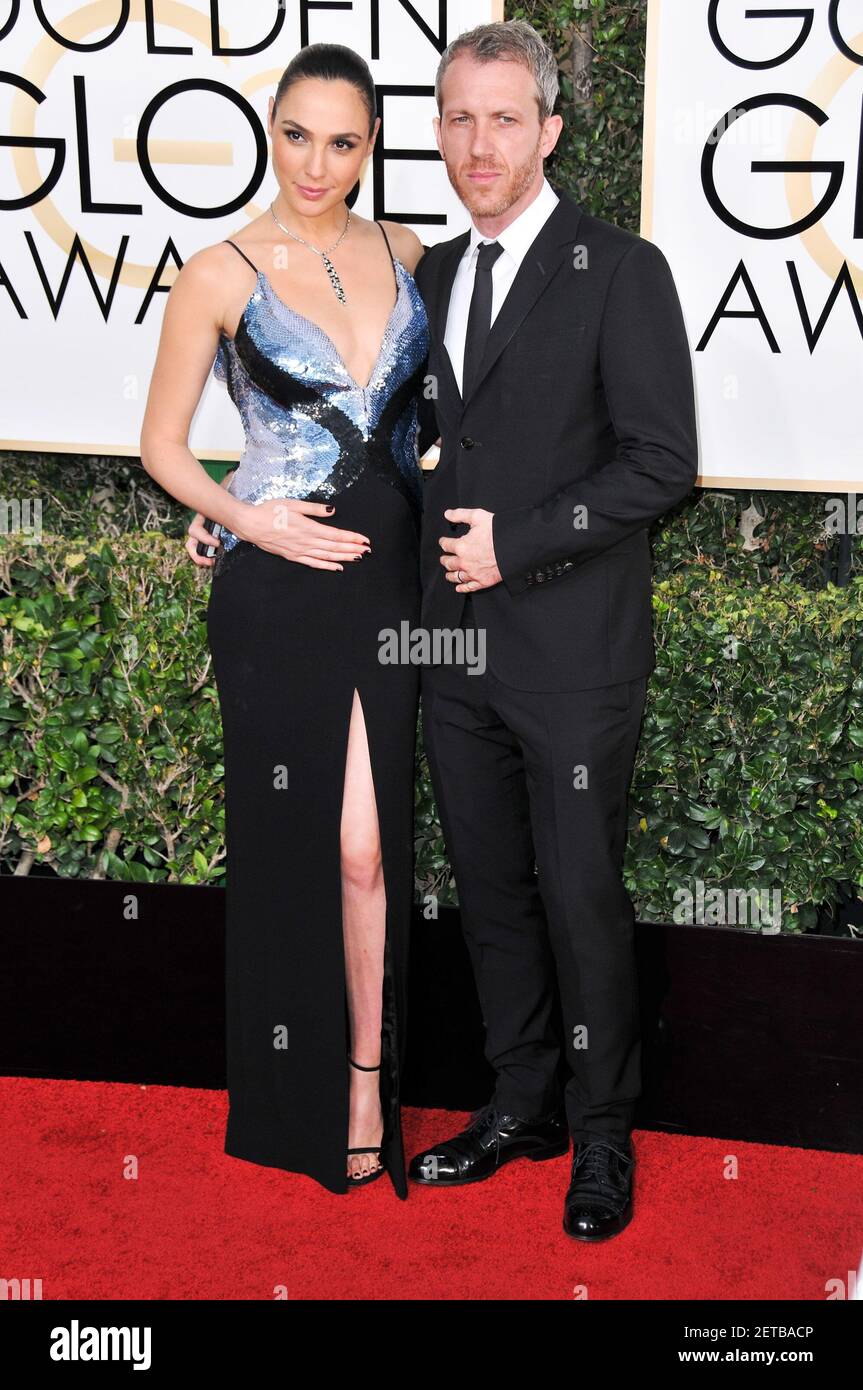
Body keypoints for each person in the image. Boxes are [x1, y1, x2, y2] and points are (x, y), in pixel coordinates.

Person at [408, 20, 698, 1239]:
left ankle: (599, 1135)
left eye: (504, 119)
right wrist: (246, 518)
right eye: (460, 119)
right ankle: (518, 1102)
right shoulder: (424, 277)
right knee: (490, 893)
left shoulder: (617, 268)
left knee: (579, 896)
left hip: (574, 659)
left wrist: (515, 543)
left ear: (549, 130)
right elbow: (390, 453)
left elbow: (662, 465)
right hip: (449, 653)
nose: (481, 145)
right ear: (440, 131)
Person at [140, 43, 429, 1197]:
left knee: (371, 852)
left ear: (370, 147)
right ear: (271, 130)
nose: (317, 163)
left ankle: (366, 1086)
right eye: (298, 134)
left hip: (392, 579)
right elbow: (164, 447)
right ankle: (293, 1097)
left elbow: (421, 429)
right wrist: (242, 520)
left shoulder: (408, 255)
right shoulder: (216, 272)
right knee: (301, 848)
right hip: (278, 590)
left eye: (343, 141)